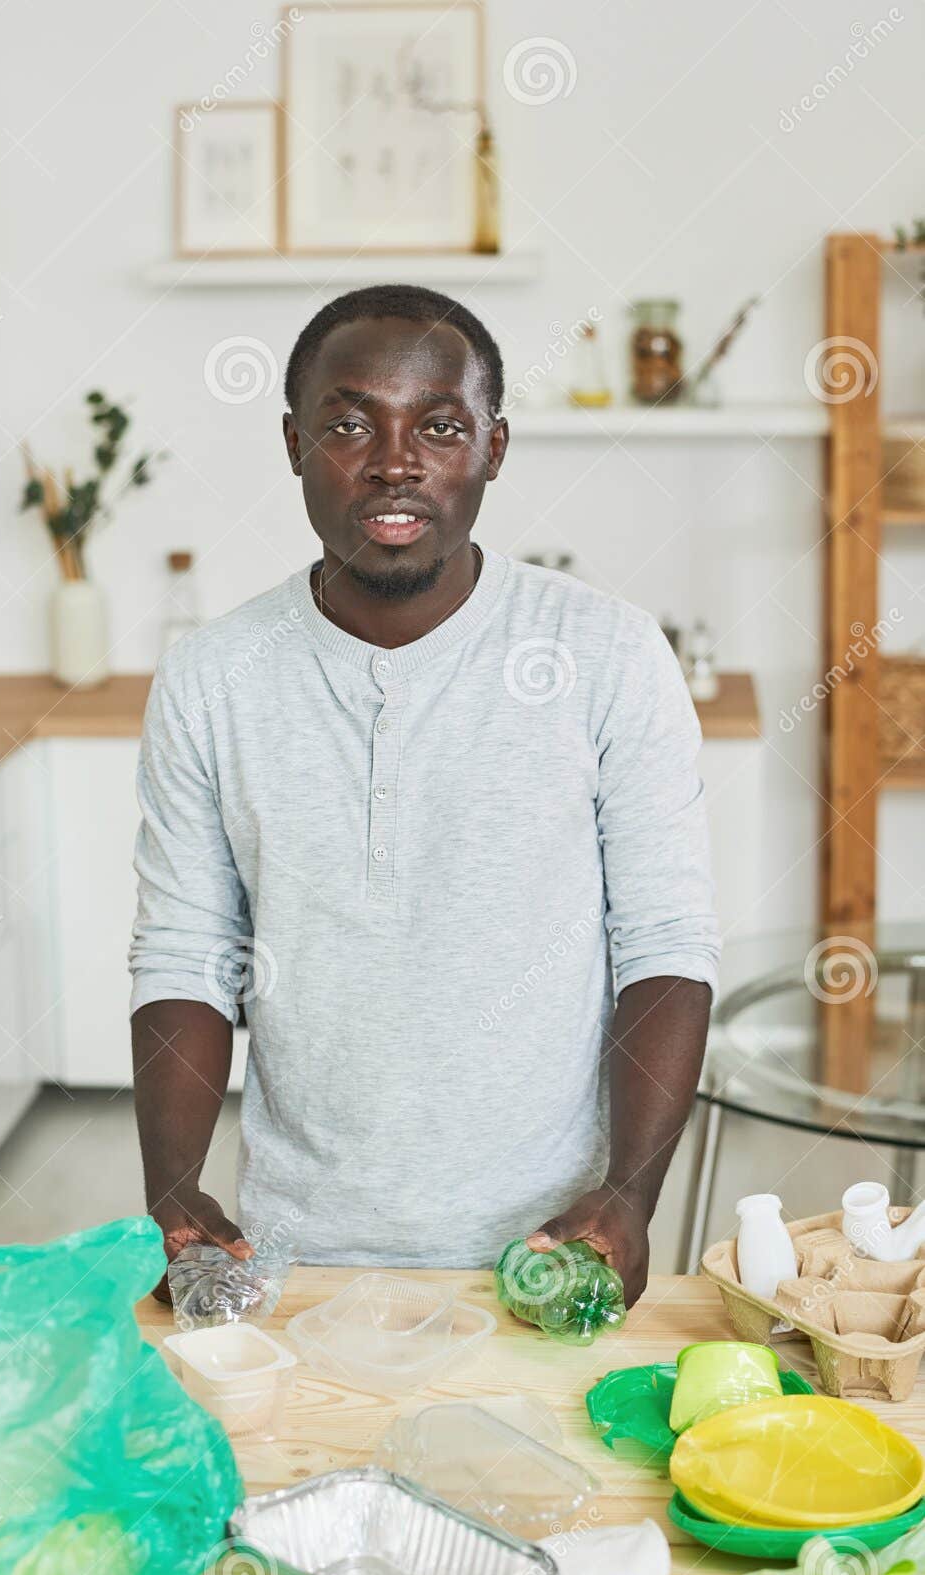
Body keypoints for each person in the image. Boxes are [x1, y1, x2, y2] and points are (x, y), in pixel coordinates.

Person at [129, 283, 720, 1308]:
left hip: (550, 1251)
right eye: (351, 423)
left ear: (492, 447)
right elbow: (184, 955)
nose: (395, 461)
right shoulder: (213, 675)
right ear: (293, 442)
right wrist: (173, 1189)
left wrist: (630, 1191)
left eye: (440, 427)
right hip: (292, 1250)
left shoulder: (609, 653)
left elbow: (665, 947)